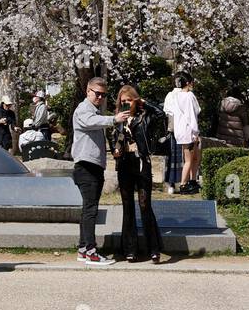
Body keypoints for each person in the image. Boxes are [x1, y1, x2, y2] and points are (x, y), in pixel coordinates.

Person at [72, 77, 131, 265]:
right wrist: (114, 119)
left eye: (103, 95)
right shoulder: (84, 110)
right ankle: (91, 251)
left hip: (93, 165)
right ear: (88, 91)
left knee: (88, 209)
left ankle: (83, 248)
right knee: (91, 210)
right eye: (97, 93)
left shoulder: (95, 111)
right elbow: (91, 121)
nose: (100, 97)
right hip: (86, 166)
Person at [111, 85, 164, 263]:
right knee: (127, 206)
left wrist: (144, 103)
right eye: (123, 101)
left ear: (135, 100)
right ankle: (130, 249)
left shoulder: (144, 116)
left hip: (142, 162)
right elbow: (112, 139)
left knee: (144, 204)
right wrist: (115, 149)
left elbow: (161, 115)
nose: (126, 104)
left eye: (129, 100)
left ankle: (154, 249)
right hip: (125, 163)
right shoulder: (118, 120)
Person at [173, 75, 202, 194]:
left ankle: (192, 181)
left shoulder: (177, 96)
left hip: (182, 131)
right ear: (189, 83)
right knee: (189, 160)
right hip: (189, 131)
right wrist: (195, 132)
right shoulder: (189, 96)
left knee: (194, 158)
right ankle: (183, 184)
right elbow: (192, 115)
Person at [161, 78, 184, 193]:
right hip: (184, 130)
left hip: (173, 130)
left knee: (171, 156)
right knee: (184, 158)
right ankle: (184, 183)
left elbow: (166, 112)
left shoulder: (169, 95)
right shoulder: (187, 95)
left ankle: (171, 184)